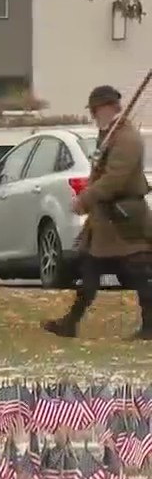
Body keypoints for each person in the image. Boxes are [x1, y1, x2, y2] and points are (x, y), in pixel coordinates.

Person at [42, 85, 152, 339]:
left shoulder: (127, 139)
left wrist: (85, 199)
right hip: (104, 222)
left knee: (139, 276)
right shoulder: (108, 135)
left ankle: (150, 327)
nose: (93, 115)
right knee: (89, 272)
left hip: (124, 219)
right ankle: (70, 323)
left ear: (107, 108)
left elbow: (115, 179)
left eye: (95, 110)